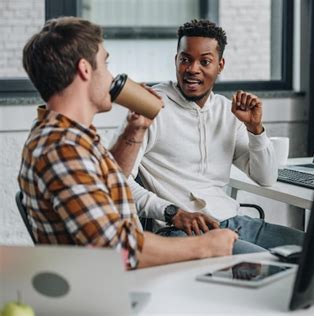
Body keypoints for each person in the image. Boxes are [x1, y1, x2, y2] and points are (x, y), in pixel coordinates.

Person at [17, 17, 237, 270]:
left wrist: (136, 128)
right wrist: (206, 246)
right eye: (105, 64)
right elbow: (117, 250)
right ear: (85, 70)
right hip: (109, 293)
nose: (111, 76)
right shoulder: (62, 149)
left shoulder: (70, 136)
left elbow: (110, 180)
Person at [112, 19, 304, 253]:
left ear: (220, 65)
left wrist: (255, 129)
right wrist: (171, 212)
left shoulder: (227, 111)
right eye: (185, 59)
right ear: (176, 60)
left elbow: (266, 177)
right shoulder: (151, 106)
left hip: (234, 222)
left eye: (205, 61)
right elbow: (118, 183)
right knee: (270, 264)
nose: (193, 69)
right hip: (183, 231)